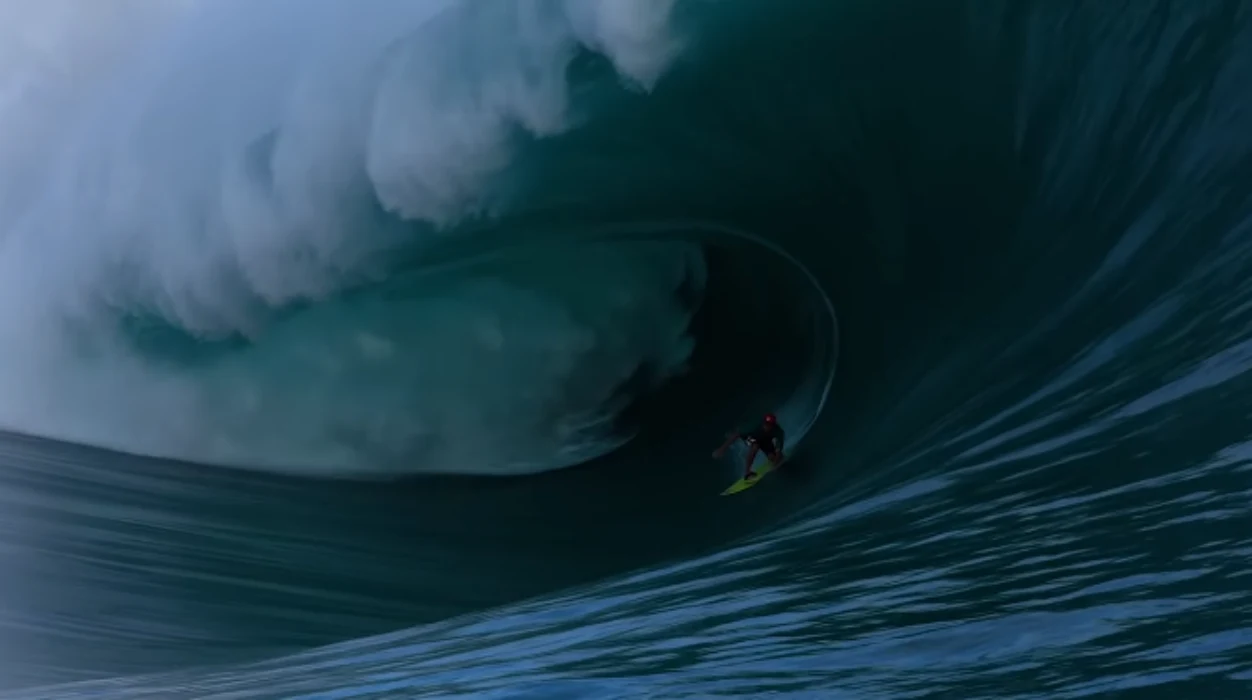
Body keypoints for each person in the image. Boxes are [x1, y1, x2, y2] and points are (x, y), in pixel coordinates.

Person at [712, 413, 786, 480]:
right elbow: (736, 434)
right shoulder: (754, 426)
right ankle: (747, 472)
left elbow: (778, 451)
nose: (766, 426)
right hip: (753, 437)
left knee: (774, 458)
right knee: (755, 447)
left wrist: (775, 465)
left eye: (769, 425)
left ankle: (776, 459)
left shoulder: (778, 433)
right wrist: (722, 449)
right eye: (765, 424)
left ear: (773, 425)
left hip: (766, 441)